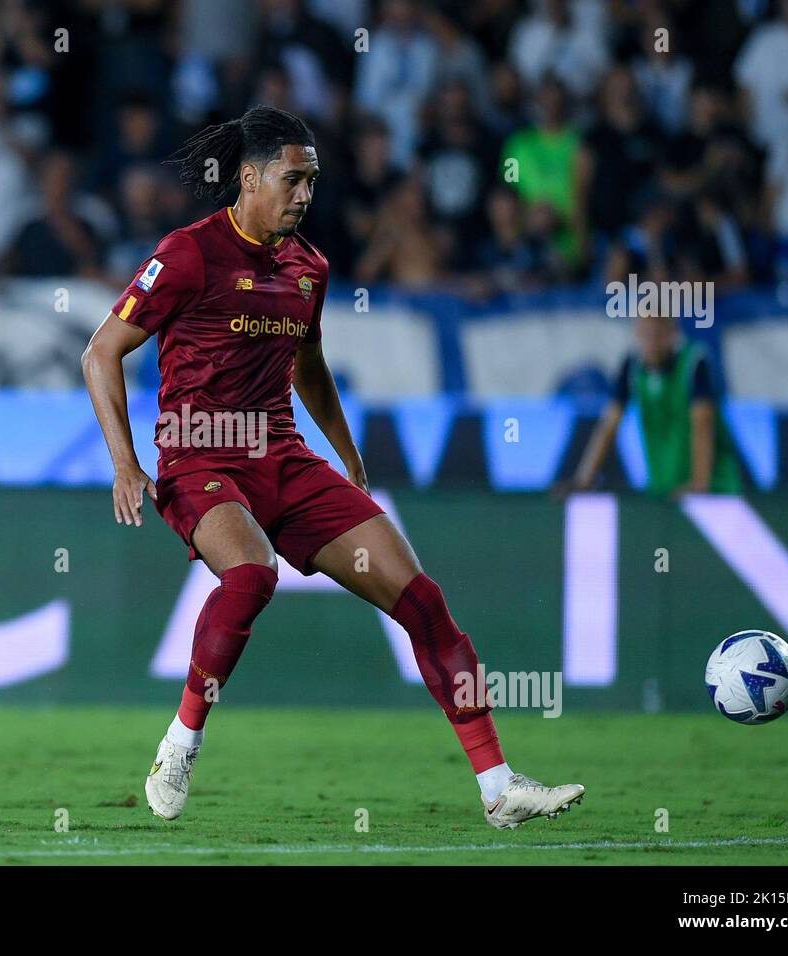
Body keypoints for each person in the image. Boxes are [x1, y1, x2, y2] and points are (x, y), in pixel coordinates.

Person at [81, 105, 584, 829]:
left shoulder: (308, 267)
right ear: (249, 178)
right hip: (200, 457)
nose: (305, 195)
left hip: (286, 459)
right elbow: (100, 352)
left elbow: (307, 363)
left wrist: (345, 453)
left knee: (423, 601)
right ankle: (181, 741)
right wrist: (125, 464)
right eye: (293, 179)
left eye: (313, 180)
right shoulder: (188, 254)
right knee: (253, 576)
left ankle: (499, 788)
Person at [568, 309, 742, 496]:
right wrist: (584, 480)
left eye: (658, 334)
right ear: (636, 333)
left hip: (715, 489)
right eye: (645, 334)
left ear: (673, 333)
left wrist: (700, 485)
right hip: (665, 489)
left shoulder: (694, 362)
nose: (651, 342)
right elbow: (609, 424)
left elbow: (703, 422)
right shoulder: (633, 366)